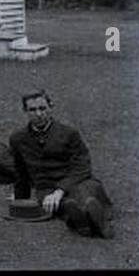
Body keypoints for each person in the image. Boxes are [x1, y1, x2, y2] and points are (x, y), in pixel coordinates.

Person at [8, 89, 113, 238]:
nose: (38, 114)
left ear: (51, 107)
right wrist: (20, 201)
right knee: (62, 204)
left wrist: (60, 190)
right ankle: (82, 221)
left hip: (78, 181)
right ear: (25, 111)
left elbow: (82, 166)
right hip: (47, 188)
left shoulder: (69, 133)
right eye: (32, 110)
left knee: (85, 196)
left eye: (42, 108)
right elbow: (21, 173)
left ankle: (96, 220)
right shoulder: (18, 138)